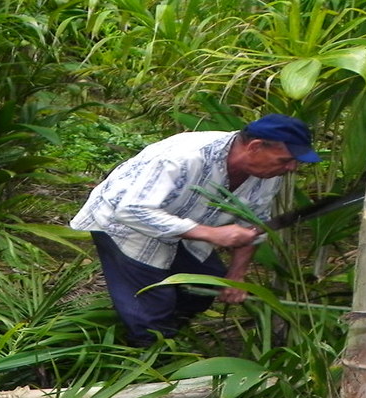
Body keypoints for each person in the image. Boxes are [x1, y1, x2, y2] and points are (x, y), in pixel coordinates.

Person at [70, 114, 321, 346]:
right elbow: (132, 210)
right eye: (286, 160)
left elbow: (253, 224)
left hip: (186, 224)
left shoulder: (267, 175)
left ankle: (169, 328)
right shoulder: (185, 157)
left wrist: (237, 275)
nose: (291, 169)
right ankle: (147, 359)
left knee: (205, 284)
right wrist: (211, 234)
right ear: (255, 146)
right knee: (152, 306)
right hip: (126, 225)